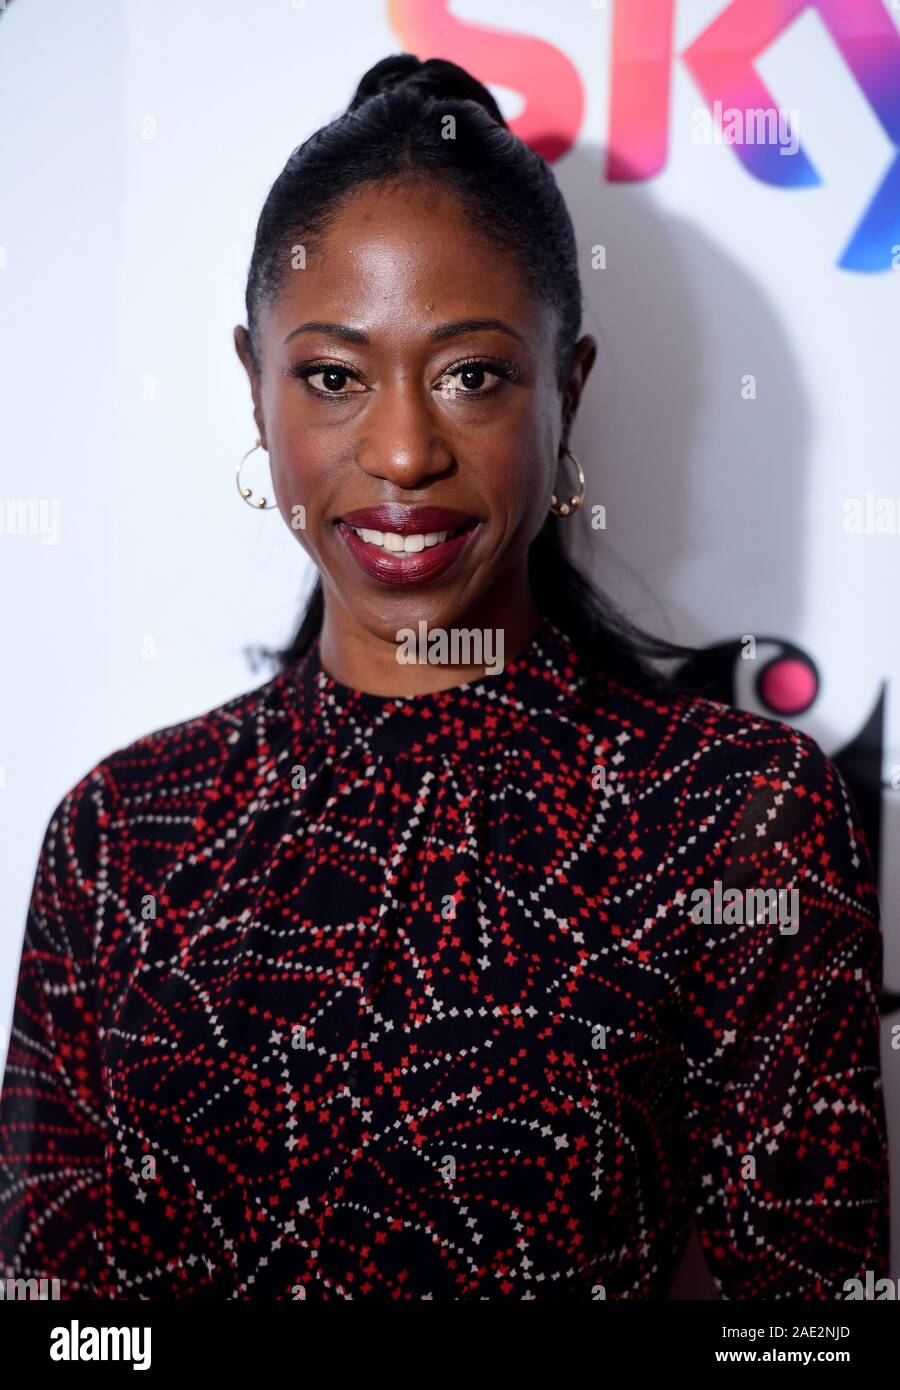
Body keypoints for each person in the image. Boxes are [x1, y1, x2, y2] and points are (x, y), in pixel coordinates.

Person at [0, 53, 888, 1301]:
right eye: (332, 377)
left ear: (565, 392)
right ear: (255, 388)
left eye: (473, 375)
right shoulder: (120, 839)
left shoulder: (736, 821)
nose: (405, 450)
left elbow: (814, 1329)